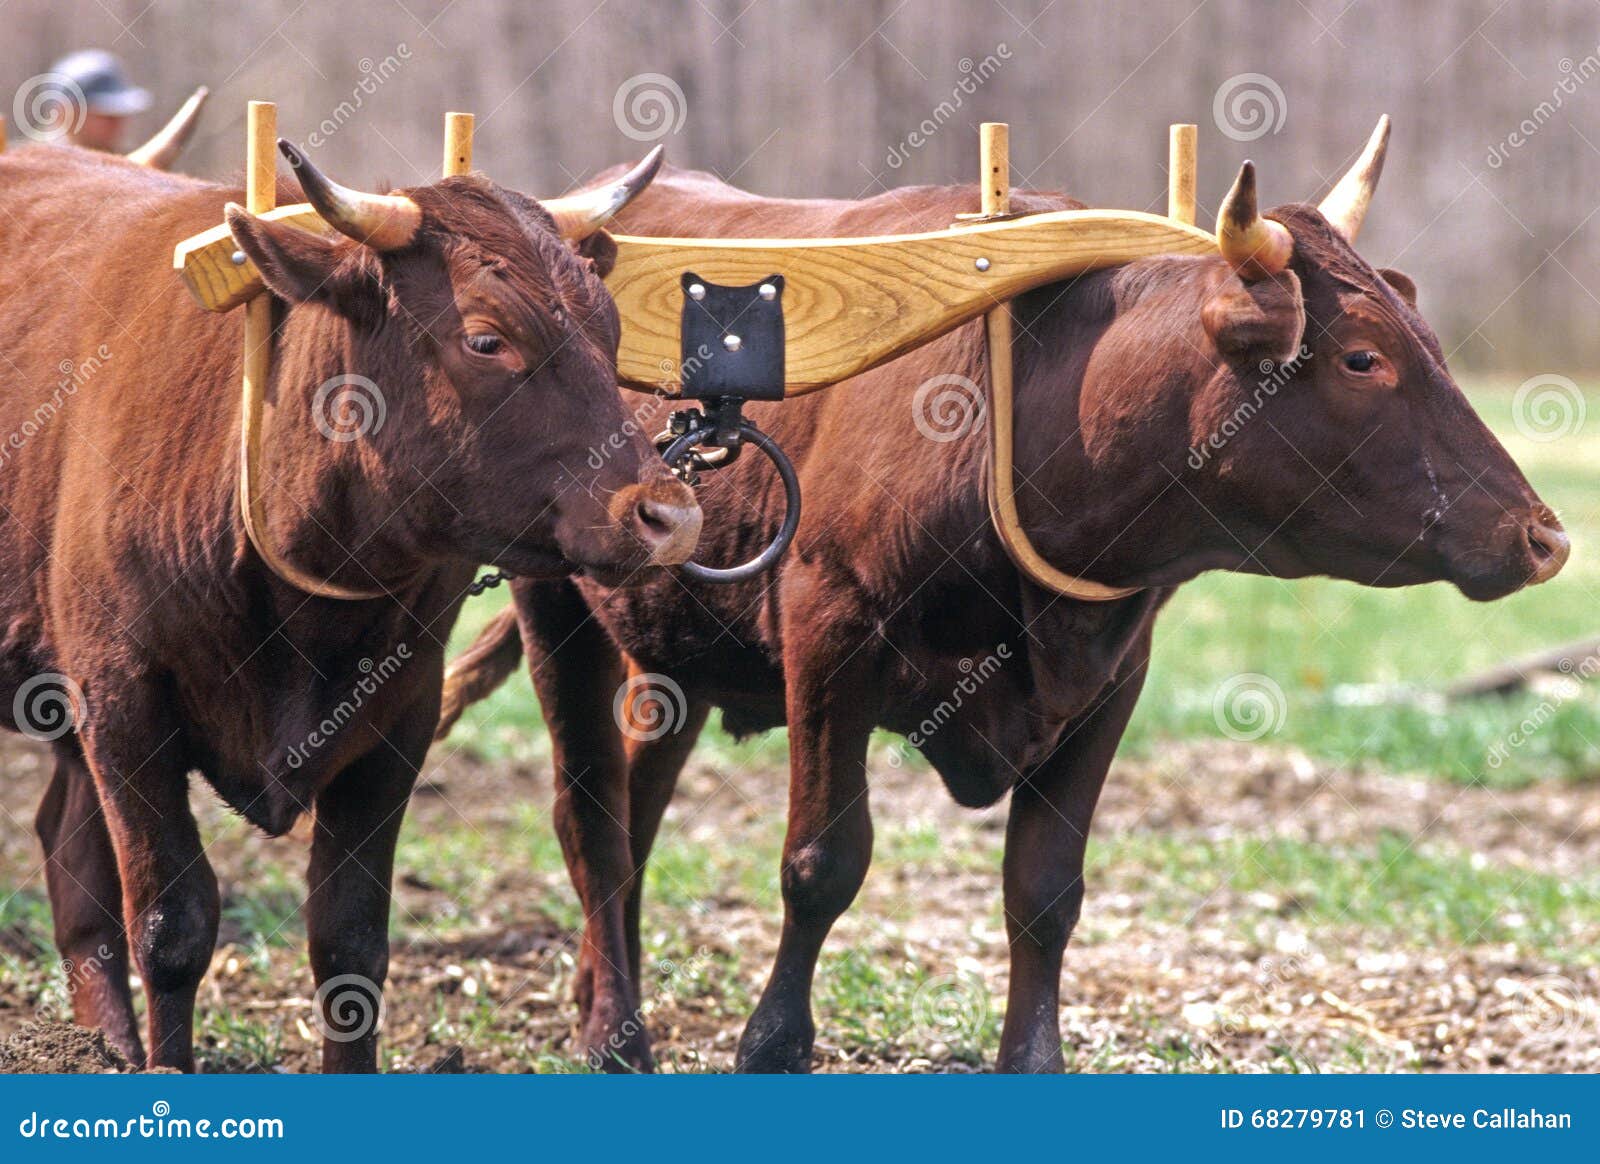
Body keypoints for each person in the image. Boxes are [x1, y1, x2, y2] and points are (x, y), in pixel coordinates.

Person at [38, 49, 152, 151]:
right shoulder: (32, 166)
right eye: (105, 115)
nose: (117, 124)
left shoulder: (130, 166)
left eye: (121, 115)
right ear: (65, 113)